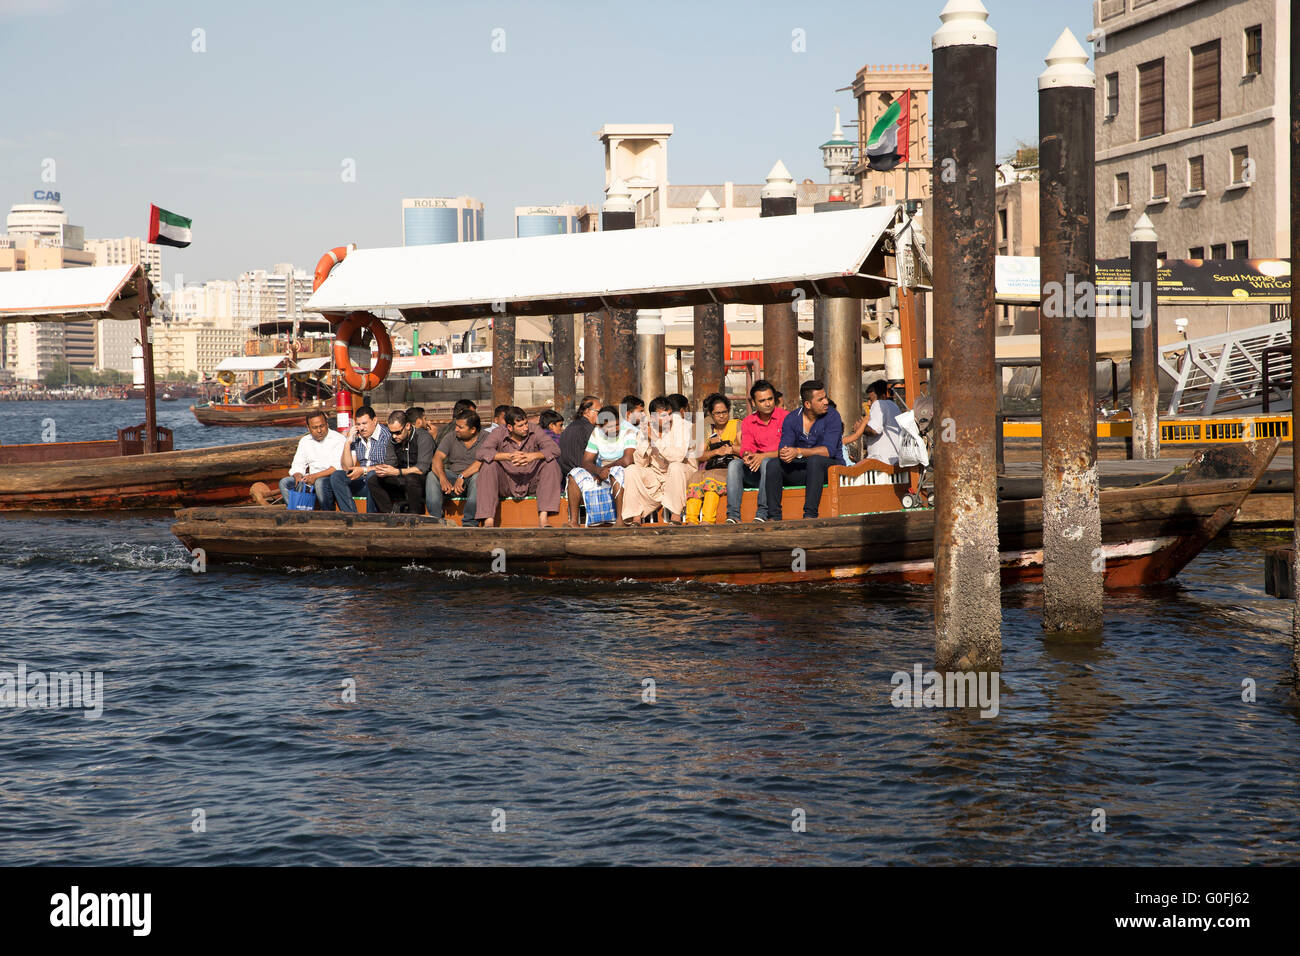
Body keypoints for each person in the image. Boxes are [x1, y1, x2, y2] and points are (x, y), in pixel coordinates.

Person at [759, 379, 843, 521]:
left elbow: (828, 451)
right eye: (820, 399)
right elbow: (784, 448)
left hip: (830, 469)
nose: (826, 402)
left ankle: (810, 516)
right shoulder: (791, 419)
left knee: (815, 461)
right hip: (804, 469)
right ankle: (774, 517)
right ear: (807, 404)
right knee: (773, 464)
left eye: (825, 397)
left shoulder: (833, 416)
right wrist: (786, 453)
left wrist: (798, 451)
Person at [474, 407, 563, 528]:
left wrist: (533, 456)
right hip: (506, 482)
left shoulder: (535, 429)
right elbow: (480, 453)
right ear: (510, 427)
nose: (525, 428)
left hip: (531, 480)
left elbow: (555, 450)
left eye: (526, 423)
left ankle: (543, 517)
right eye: (520, 426)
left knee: (551, 463)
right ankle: (488, 520)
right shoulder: (498, 432)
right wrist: (507, 456)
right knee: (488, 466)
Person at [621, 395, 692, 524]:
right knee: (631, 470)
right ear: (653, 417)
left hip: (682, 473)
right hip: (657, 474)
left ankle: (675, 516)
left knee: (675, 467)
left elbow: (678, 457)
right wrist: (646, 441)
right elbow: (640, 463)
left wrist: (656, 440)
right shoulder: (647, 428)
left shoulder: (683, 426)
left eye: (669, 414)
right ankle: (635, 516)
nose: (668, 418)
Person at [729, 379, 787, 523]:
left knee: (768, 462)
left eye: (770, 399)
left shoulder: (785, 418)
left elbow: (788, 450)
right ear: (754, 403)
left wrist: (762, 457)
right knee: (734, 465)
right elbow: (747, 447)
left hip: (779, 470)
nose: (767, 404)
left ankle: (762, 513)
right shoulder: (748, 421)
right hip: (756, 469)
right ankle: (733, 515)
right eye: (762, 401)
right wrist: (747, 455)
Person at [570, 404, 636, 526]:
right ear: (600, 426)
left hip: (624, 470)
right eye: (610, 427)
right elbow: (586, 461)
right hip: (602, 470)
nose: (615, 429)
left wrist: (604, 470)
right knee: (574, 473)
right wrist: (598, 470)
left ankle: (620, 520)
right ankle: (573, 521)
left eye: (617, 425)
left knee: (616, 471)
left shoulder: (628, 432)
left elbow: (627, 460)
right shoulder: (596, 433)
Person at [684, 393, 740, 525]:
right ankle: (691, 520)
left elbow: (744, 447)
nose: (721, 416)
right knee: (696, 477)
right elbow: (700, 455)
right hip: (713, 466)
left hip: (732, 468)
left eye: (724, 412)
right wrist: (716, 451)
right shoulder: (709, 429)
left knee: (711, 477)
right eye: (717, 413)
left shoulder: (736, 424)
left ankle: (708, 520)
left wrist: (731, 449)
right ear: (711, 414)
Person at [367, 409, 434, 514]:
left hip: (422, 480)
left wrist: (397, 472)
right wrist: (383, 470)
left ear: (407, 426)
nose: (394, 436)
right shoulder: (392, 440)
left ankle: (414, 516)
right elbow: (390, 463)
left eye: (398, 432)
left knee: (411, 479)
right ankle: (389, 514)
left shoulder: (423, 437)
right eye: (391, 432)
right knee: (373, 480)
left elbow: (422, 469)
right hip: (402, 478)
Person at [327, 405, 392, 512]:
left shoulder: (386, 436)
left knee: (372, 476)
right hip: (362, 479)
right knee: (337, 476)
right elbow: (347, 467)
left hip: (380, 481)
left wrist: (364, 470)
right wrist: (348, 442)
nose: (361, 428)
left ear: (374, 421)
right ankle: (352, 516)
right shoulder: (357, 437)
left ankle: (371, 518)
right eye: (358, 424)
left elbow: (388, 467)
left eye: (364, 423)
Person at [279, 409, 344, 510]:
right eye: (314, 427)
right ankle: (298, 513)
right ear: (308, 428)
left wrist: (314, 477)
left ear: (327, 424)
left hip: (329, 479)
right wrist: (298, 475)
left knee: (320, 483)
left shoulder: (338, 439)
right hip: (310, 480)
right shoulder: (305, 441)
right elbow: (298, 464)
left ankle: (328, 514)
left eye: (321, 426)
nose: (319, 430)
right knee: (285, 483)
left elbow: (336, 468)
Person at [428, 408, 484, 524]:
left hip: (474, 478)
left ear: (473, 430)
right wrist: (442, 478)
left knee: (478, 477)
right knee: (432, 476)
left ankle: (469, 523)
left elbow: (481, 462)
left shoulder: (486, 438)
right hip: (453, 477)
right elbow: (437, 458)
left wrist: (462, 477)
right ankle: (435, 521)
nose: (456, 429)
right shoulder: (451, 436)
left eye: (460, 427)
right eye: (456, 426)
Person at [843, 379, 903, 467]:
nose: (868, 403)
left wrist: (860, 427)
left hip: (881, 462)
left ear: (883, 396)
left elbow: (874, 430)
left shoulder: (879, 403)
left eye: (871, 400)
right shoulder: (894, 406)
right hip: (894, 460)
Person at [558, 395, 600, 478]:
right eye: (599, 411)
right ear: (587, 411)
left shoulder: (571, 426)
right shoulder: (589, 429)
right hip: (583, 476)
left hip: (567, 474)